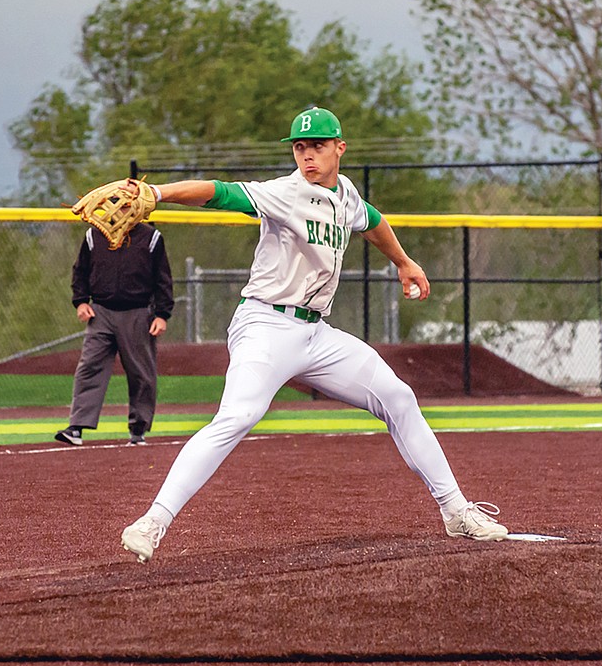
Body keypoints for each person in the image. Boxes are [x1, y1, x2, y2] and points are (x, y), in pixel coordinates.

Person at [119, 106, 509, 563]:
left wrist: (403, 261)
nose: (307, 155)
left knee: (398, 396)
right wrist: (158, 192)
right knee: (238, 416)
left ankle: (455, 510)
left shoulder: (345, 195)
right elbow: (219, 192)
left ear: (339, 148)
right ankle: (153, 521)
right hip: (265, 325)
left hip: (315, 333)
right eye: (300, 147)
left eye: (317, 146)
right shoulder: (285, 193)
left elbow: (372, 221)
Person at [55, 221, 174, 447]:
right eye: (116, 203)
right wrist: (80, 302)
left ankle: (138, 430)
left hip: (138, 312)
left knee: (141, 373)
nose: (120, 209)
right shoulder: (95, 234)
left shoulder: (151, 237)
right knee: (89, 366)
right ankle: (76, 427)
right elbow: (80, 270)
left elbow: (163, 278)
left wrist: (162, 314)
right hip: (100, 311)